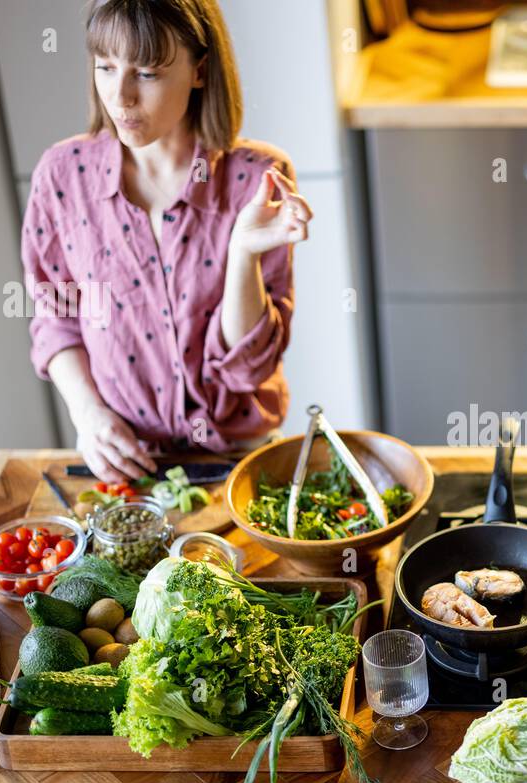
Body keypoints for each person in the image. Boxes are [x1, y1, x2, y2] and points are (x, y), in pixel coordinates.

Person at [22, 0, 311, 482]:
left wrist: (242, 253)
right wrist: (88, 416)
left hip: (236, 459)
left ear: (199, 70)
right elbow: (56, 318)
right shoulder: (62, 176)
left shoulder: (257, 179)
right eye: (106, 67)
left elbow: (248, 370)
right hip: (122, 455)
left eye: (148, 73)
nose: (121, 97)